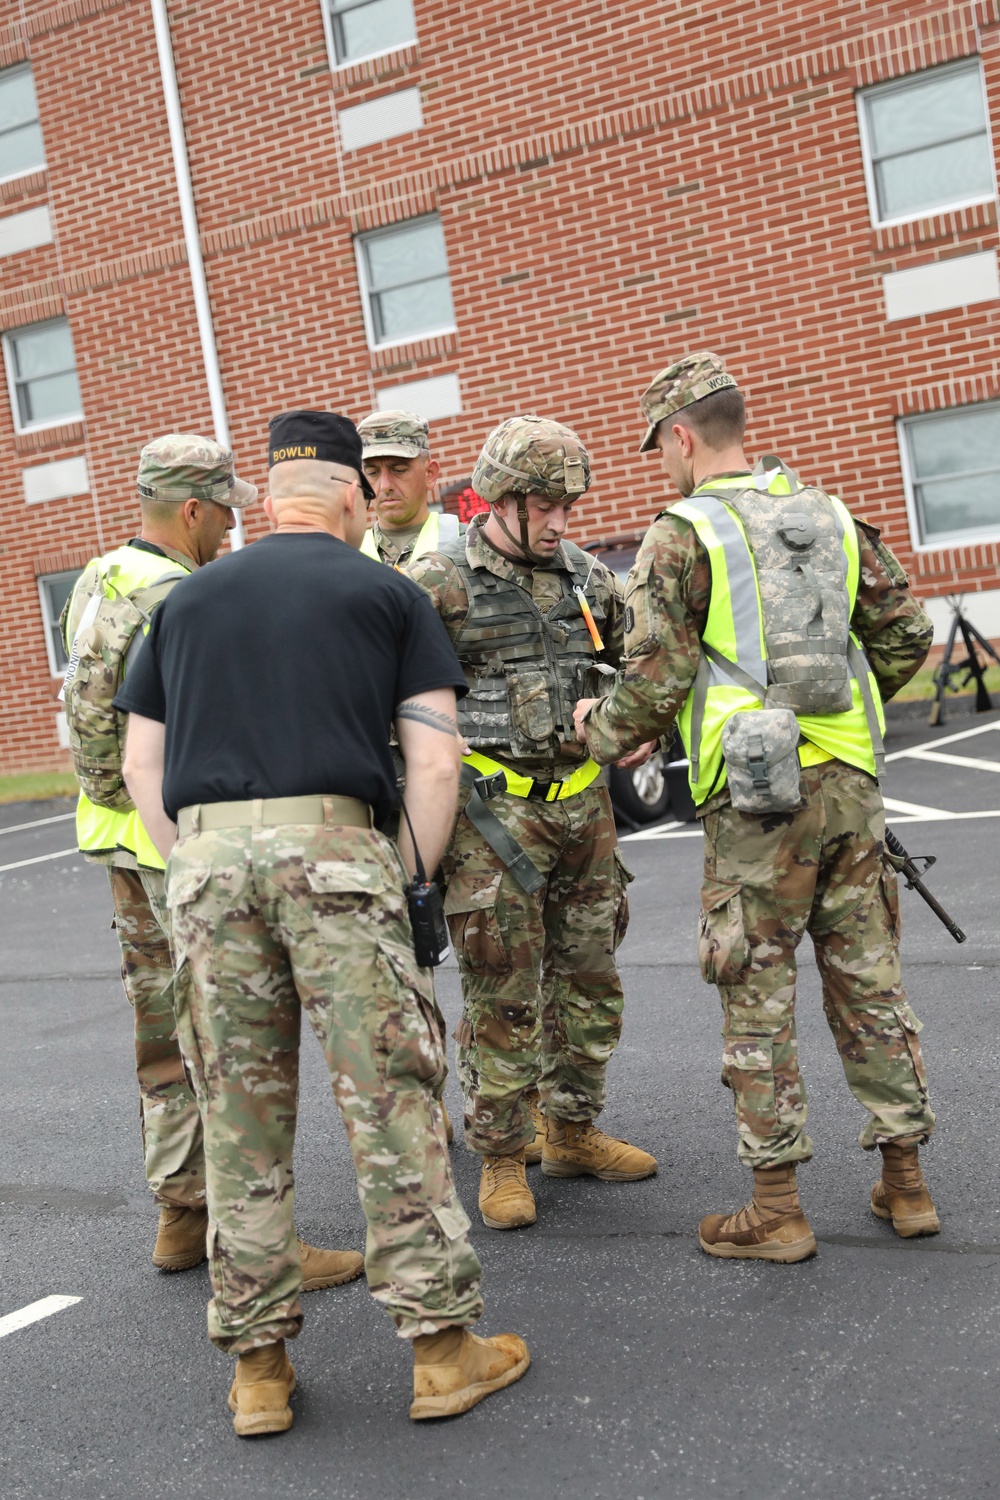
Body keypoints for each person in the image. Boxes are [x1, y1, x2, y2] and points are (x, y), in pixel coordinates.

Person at [116, 409, 529, 1436]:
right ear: (351, 494)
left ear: (262, 496)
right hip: (338, 851)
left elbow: (138, 767)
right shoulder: (385, 590)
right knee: (390, 1101)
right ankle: (439, 1352)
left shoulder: (185, 599)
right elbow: (434, 760)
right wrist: (407, 876)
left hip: (209, 863)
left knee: (239, 1120)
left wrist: (198, 864)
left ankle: (258, 1369)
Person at [575, 352, 938, 1262]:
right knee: (869, 982)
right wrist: (841, 716)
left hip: (753, 802)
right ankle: (907, 1184)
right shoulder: (833, 515)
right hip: (852, 785)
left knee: (756, 993)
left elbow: (655, 679)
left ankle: (775, 1208)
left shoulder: (683, 530)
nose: (660, 461)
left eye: (660, 444)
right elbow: (906, 638)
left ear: (684, 437)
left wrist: (598, 734)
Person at [62, 434, 362, 1291]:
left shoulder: (100, 576)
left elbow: (84, 709)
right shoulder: (176, 595)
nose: (232, 529)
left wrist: (111, 802)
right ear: (191, 510)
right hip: (173, 839)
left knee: (161, 1034)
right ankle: (261, 1241)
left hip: (116, 840)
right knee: (226, 1045)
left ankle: (181, 1216)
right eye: (224, 513)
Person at [407, 414, 658, 1234]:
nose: (559, 523)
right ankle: (505, 1155)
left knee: (590, 980)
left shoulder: (588, 579)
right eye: (543, 506)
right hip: (492, 818)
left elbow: (643, 665)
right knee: (501, 990)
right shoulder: (439, 582)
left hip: (584, 810)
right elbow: (390, 704)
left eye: (568, 507)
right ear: (499, 500)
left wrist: (630, 719)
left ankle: (574, 1128)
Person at [358, 408, 462, 1144]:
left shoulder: (465, 547)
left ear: (430, 466)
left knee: (499, 962)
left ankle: (516, 1120)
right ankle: (430, 1109)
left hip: (473, 787)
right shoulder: (344, 553)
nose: (385, 482)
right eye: (372, 469)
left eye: (399, 466)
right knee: (403, 961)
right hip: (383, 791)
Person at [357, 408, 462, 566]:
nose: (385, 486)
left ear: (429, 474)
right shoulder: (348, 554)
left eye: (399, 471)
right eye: (373, 473)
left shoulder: (467, 544)